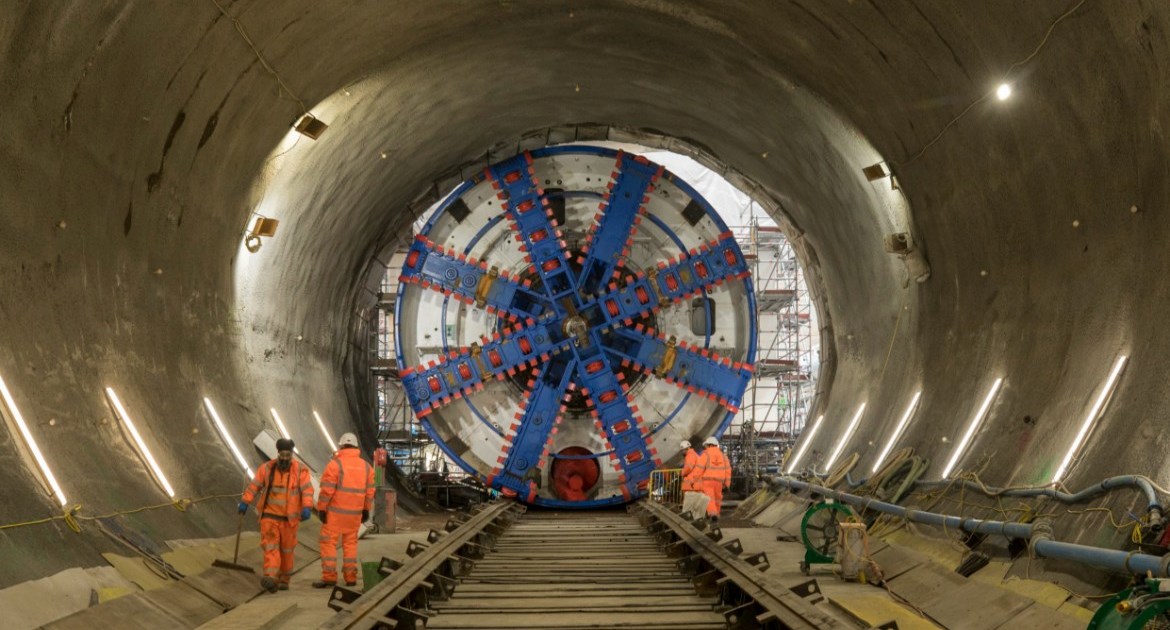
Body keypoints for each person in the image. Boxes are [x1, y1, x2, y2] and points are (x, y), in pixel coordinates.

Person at [238, 438, 313, 593]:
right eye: (282, 455)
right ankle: (271, 577)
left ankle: (284, 579)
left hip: (289, 520)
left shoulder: (300, 471)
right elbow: (254, 486)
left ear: (292, 455)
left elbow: (307, 490)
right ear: (278, 454)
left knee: (287, 550)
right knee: (271, 547)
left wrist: (307, 506)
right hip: (270, 517)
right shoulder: (266, 469)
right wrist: (245, 502)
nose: (285, 458)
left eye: (288, 455)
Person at [314, 432, 375, 589]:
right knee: (350, 544)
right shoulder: (367, 468)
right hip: (354, 515)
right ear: (356, 447)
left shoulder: (335, 465)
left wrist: (322, 509)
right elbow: (369, 493)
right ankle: (350, 578)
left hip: (335, 514)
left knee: (328, 543)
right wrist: (366, 510)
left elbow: (327, 491)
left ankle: (329, 577)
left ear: (341, 446)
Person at [694, 436, 732, 522]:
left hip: (707, 481)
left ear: (709, 445)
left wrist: (694, 480)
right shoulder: (723, 456)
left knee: (709, 498)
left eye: (706, 446)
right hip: (719, 482)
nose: (705, 447)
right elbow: (728, 471)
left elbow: (699, 468)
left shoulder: (705, 454)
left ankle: (713, 514)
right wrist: (727, 484)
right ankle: (716, 515)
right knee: (718, 499)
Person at [679, 439, 710, 519]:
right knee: (696, 512)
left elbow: (688, 467)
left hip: (692, 486)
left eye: (682, 450)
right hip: (696, 486)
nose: (682, 452)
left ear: (686, 449)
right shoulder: (694, 455)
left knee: (687, 511)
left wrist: (681, 473)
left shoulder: (690, 455)